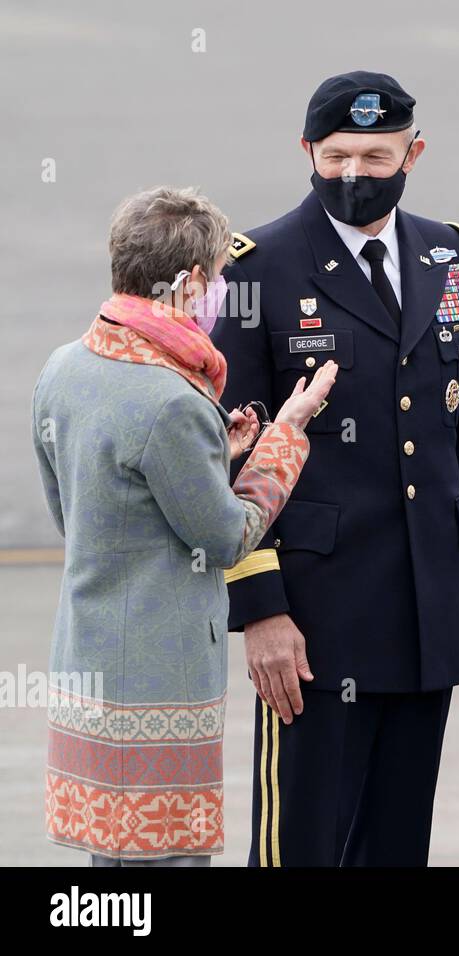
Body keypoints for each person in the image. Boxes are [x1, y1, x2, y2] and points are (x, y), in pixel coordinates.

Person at [211, 71, 459, 866]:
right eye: (338, 154)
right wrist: (261, 610)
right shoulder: (256, 267)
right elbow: (230, 460)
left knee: (395, 847)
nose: (354, 174)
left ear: (413, 152)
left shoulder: (454, 258)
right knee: (300, 849)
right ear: (307, 151)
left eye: (377, 157)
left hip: (426, 606)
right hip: (314, 621)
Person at [32, 186, 334, 866]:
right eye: (218, 280)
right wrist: (283, 438)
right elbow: (228, 536)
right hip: (157, 674)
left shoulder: (63, 368)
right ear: (193, 282)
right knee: (166, 859)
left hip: (87, 658)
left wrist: (206, 459)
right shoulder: (171, 399)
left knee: (112, 868)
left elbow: (81, 508)